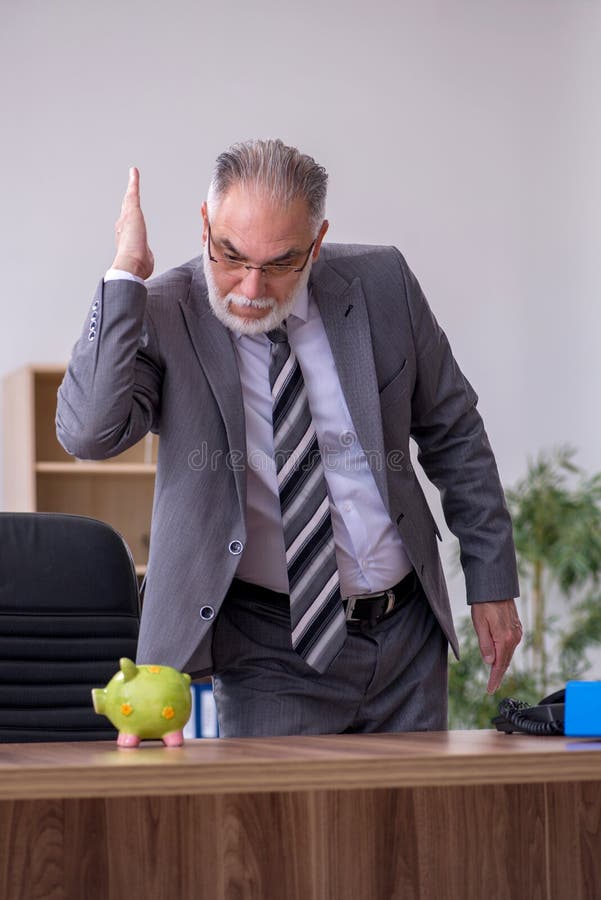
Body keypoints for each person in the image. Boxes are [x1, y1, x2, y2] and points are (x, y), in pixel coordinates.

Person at [57, 139, 522, 737]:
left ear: (317, 242)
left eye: (279, 264)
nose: (250, 289)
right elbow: (88, 433)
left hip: (407, 638)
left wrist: (491, 580)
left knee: (413, 828)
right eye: (230, 256)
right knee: (280, 831)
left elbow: (454, 433)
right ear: (205, 225)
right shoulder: (166, 311)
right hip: (270, 647)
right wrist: (124, 277)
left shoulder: (382, 283)